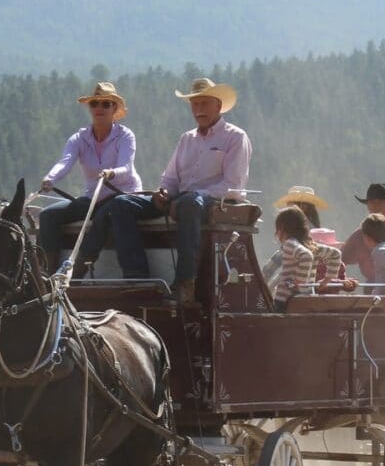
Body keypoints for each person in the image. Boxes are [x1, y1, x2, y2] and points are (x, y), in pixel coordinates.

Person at [99, 77, 252, 303]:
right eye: (195, 104)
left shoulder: (235, 137)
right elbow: (171, 178)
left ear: (218, 105)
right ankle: (137, 277)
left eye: (204, 103)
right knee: (121, 204)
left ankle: (185, 281)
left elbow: (232, 185)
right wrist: (164, 193)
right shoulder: (186, 139)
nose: (198, 109)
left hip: (212, 203)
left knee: (191, 203)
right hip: (180, 200)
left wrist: (194, 196)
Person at [35, 81, 142, 273]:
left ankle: (78, 269)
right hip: (94, 197)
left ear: (114, 108)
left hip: (123, 196)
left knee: (105, 214)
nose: (99, 108)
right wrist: (50, 178)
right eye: (94, 104)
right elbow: (65, 161)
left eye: (106, 104)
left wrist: (112, 173)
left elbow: (127, 167)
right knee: (48, 216)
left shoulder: (125, 136)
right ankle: (47, 273)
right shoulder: (79, 138)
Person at [271, 207, 355, 310]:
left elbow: (306, 256)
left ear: (282, 227)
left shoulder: (289, 243)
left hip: (285, 299)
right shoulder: (312, 247)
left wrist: (300, 283)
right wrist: (328, 279)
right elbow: (335, 254)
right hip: (307, 299)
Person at [264, 185, 341, 285]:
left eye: (291, 204)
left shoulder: (305, 232)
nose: (289, 207)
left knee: (276, 283)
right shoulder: (313, 227)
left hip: (299, 278)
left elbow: (274, 264)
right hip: (310, 277)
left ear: (304, 206)